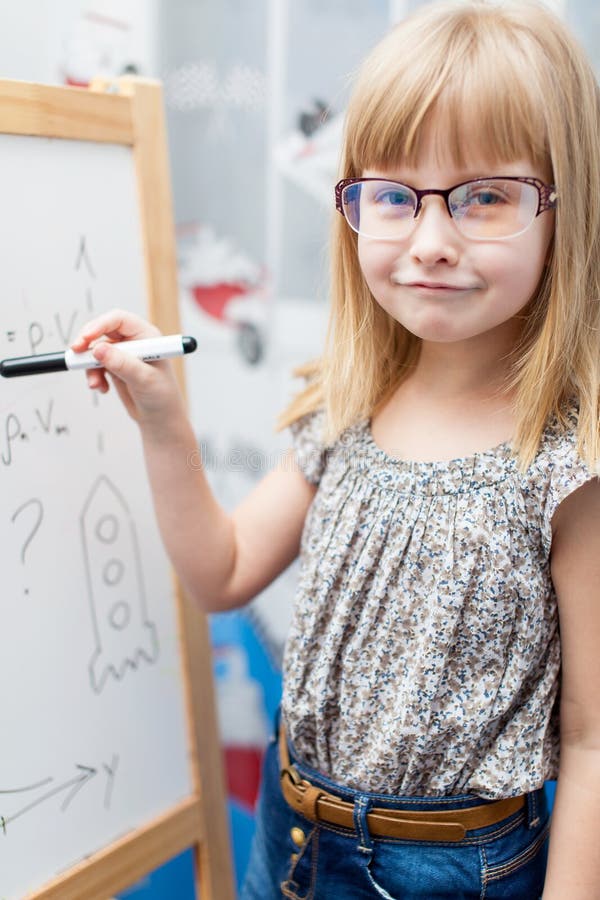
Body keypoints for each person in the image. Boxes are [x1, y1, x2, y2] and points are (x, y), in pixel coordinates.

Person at [71, 1, 600, 896]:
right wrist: (162, 418)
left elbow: (591, 736)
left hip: (452, 869)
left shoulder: (565, 458)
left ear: (563, 207)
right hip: (289, 840)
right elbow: (222, 573)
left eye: (485, 198)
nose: (431, 244)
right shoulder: (351, 405)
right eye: (395, 197)